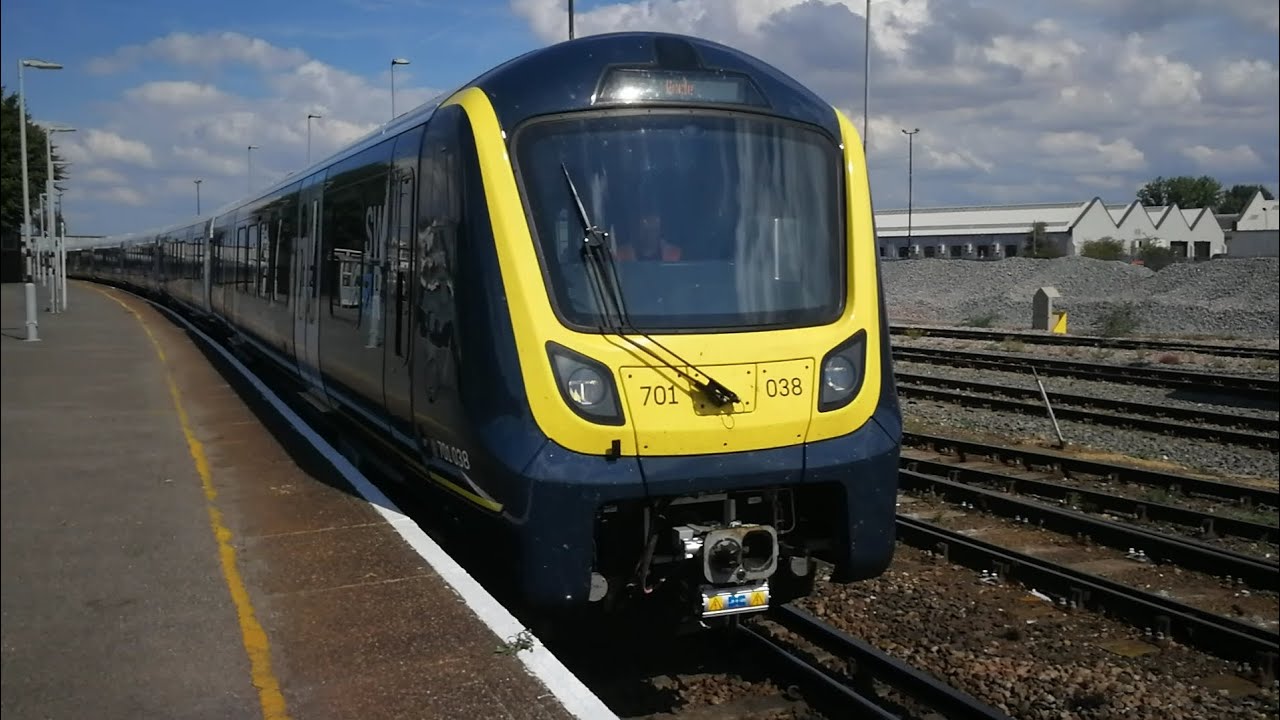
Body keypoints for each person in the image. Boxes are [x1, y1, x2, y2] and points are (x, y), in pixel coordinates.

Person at [615, 209, 682, 261]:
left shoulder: (674, 254)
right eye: (645, 223)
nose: (650, 232)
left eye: (653, 229)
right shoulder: (622, 255)